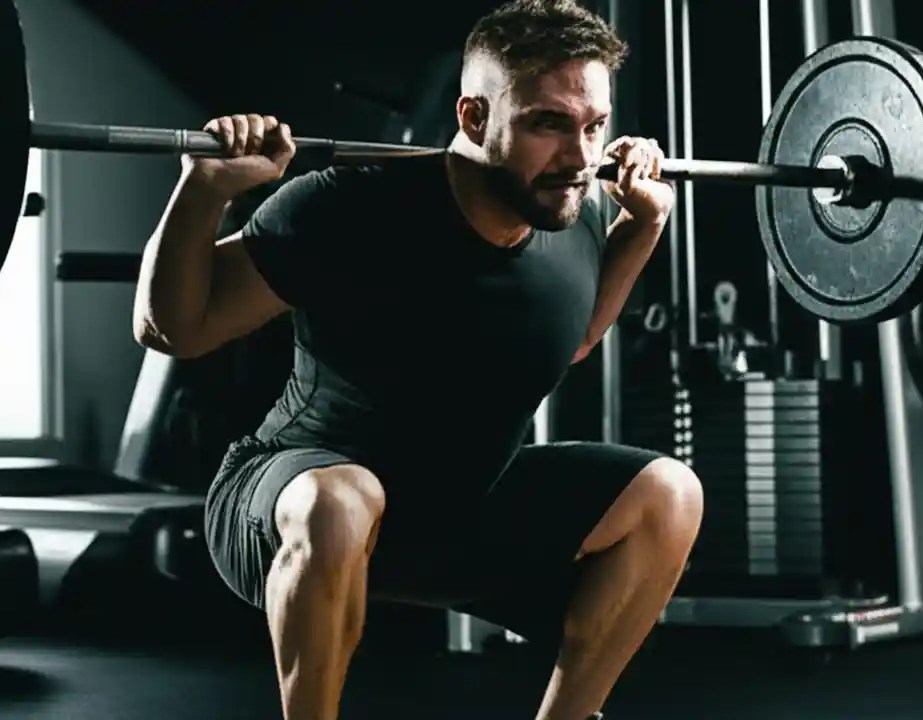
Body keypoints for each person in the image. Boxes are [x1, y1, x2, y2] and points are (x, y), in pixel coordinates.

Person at [134, 1, 704, 718]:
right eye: (548, 123)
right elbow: (170, 329)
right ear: (472, 118)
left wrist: (642, 225)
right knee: (343, 499)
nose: (582, 157)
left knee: (669, 494)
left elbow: (576, 333)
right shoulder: (345, 208)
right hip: (293, 502)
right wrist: (203, 188)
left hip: (456, 518)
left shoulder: (576, 212)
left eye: (594, 125)